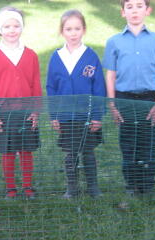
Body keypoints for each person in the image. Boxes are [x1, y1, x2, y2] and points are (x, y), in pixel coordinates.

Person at [102, 0, 155, 195]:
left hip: (149, 100)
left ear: (148, 10)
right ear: (122, 12)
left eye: (139, 6)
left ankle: (147, 184)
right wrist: (112, 104)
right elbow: (110, 75)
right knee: (127, 142)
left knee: (147, 142)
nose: (135, 10)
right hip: (123, 99)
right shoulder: (114, 41)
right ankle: (132, 184)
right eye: (130, 6)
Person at [0, 6, 42, 199]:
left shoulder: (31, 54)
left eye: (16, 25)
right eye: (6, 26)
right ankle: (10, 187)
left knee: (26, 151)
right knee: (7, 152)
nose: (11, 30)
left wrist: (36, 111)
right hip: (3, 113)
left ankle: (27, 186)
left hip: (25, 112)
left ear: (22, 28)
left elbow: (36, 84)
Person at [46, 10, 106, 199]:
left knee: (88, 153)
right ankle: (72, 188)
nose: (73, 33)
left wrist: (97, 116)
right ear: (62, 31)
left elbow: (99, 89)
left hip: (86, 116)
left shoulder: (91, 56)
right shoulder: (56, 57)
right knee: (71, 154)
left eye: (77, 28)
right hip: (65, 117)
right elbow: (51, 89)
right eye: (68, 29)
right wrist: (54, 116)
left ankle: (93, 188)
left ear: (84, 30)